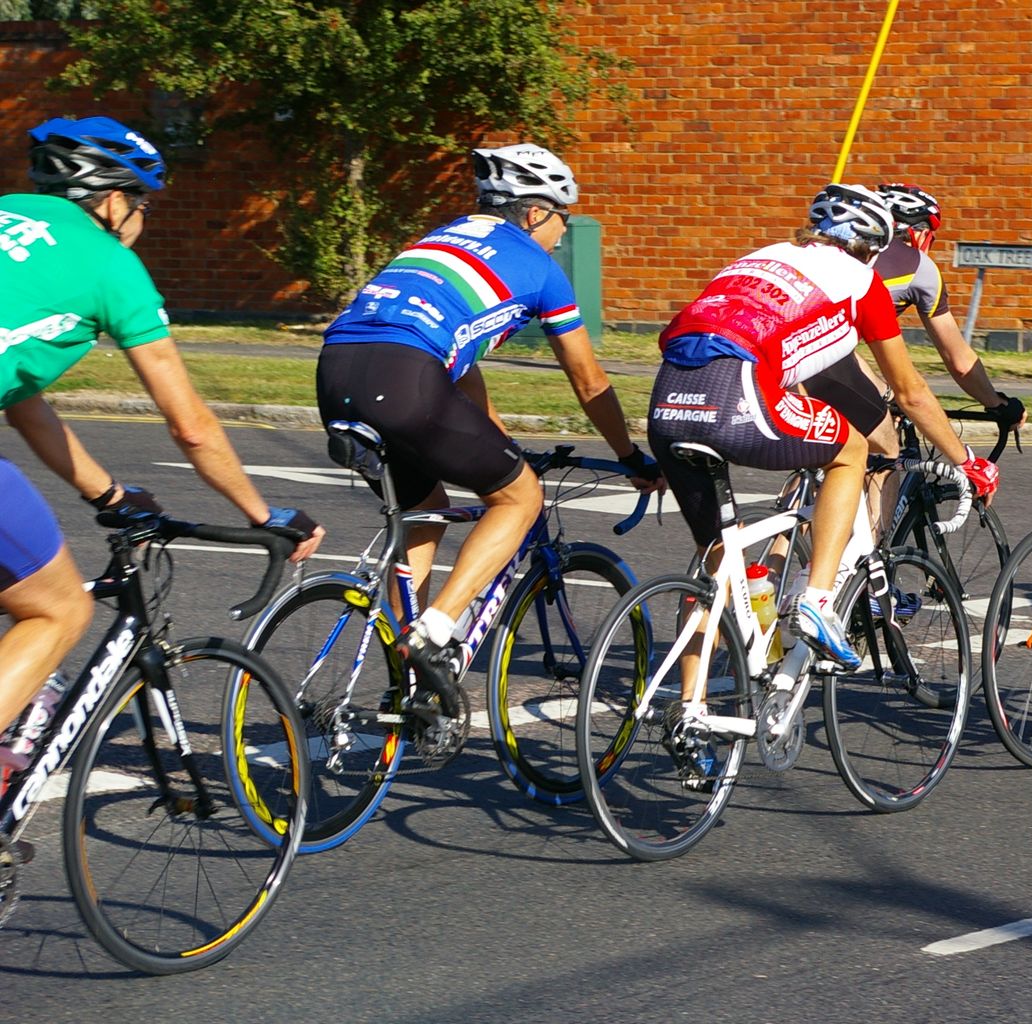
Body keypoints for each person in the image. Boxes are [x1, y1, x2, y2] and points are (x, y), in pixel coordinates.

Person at [0, 116, 324, 784]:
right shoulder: (109, 264)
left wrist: (110, 495)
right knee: (60, 608)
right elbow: (193, 427)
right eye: (142, 204)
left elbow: (21, 394)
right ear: (112, 200)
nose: (141, 220)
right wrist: (264, 516)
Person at [317, 143, 660, 707]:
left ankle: (409, 677)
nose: (562, 234)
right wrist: (628, 456)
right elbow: (588, 379)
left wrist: (500, 442)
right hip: (406, 378)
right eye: (561, 219)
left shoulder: (440, 238)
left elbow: (462, 369)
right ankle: (432, 634)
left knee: (424, 508)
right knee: (519, 499)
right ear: (533, 213)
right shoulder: (538, 267)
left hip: (337, 372)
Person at [649, 183, 1000, 665]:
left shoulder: (764, 254)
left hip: (668, 400)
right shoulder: (865, 280)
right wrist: (968, 462)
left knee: (718, 578)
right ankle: (816, 598)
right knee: (855, 448)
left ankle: (694, 712)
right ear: (876, 245)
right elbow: (911, 391)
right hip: (743, 390)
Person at [821, 181, 1023, 541]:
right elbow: (957, 359)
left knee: (818, 468)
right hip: (826, 357)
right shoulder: (919, 267)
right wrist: (997, 403)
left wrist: (883, 391)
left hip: (787, 354)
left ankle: (777, 564)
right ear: (915, 232)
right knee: (887, 452)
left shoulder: (830, 252)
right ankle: (867, 576)